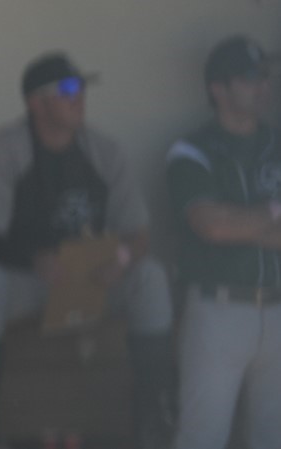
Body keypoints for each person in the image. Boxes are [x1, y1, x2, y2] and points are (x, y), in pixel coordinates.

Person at [0, 52, 175, 449]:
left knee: (150, 277)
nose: (80, 96)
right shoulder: (7, 148)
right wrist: (34, 258)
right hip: (25, 282)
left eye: (83, 87)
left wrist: (118, 261)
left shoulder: (104, 150)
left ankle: (153, 411)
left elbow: (139, 233)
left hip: (88, 284)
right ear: (37, 102)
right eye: (68, 89)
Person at [165, 35, 281, 449]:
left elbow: (230, 223)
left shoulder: (276, 143)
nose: (263, 86)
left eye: (265, 76)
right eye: (250, 77)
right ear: (218, 88)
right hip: (218, 311)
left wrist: (243, 221)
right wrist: (270, 216)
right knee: (202, 439)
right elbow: (211, 225)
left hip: (278, 307)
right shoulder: (191, 148)